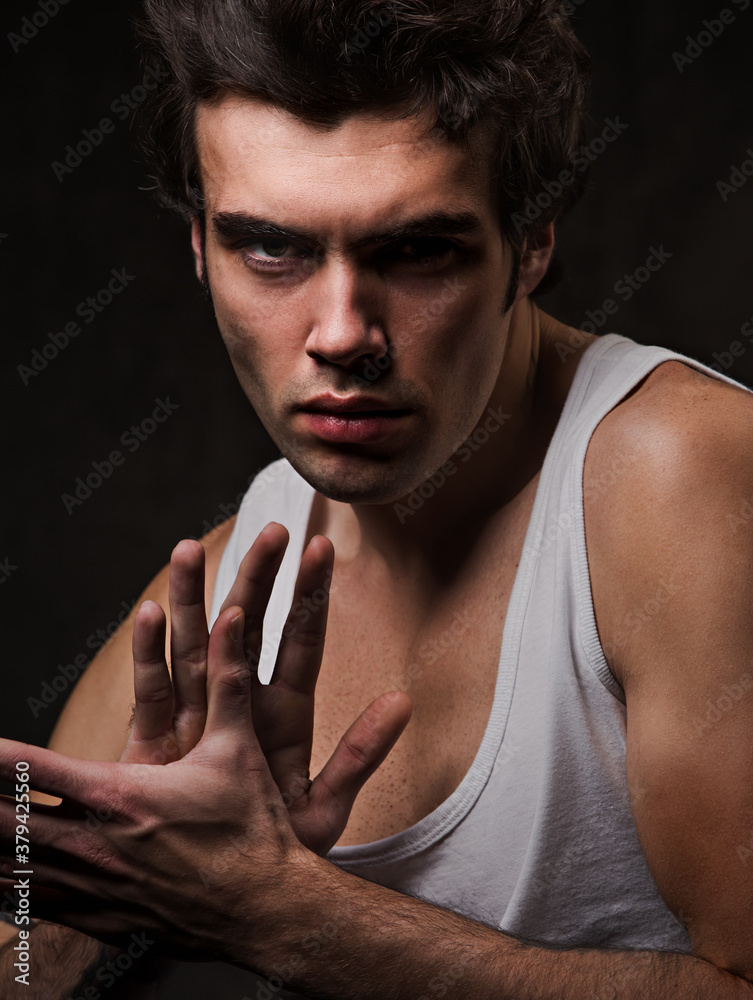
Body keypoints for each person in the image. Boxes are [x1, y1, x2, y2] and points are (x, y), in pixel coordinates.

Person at [2, 0, 753, 996]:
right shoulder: (231, 583)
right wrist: (98, 885)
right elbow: (13, 954)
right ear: (199, 248)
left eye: (417, 251)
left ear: (528, 245)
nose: (343, 331)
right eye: (272, 248)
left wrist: (279, 913)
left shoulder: (677, 476)